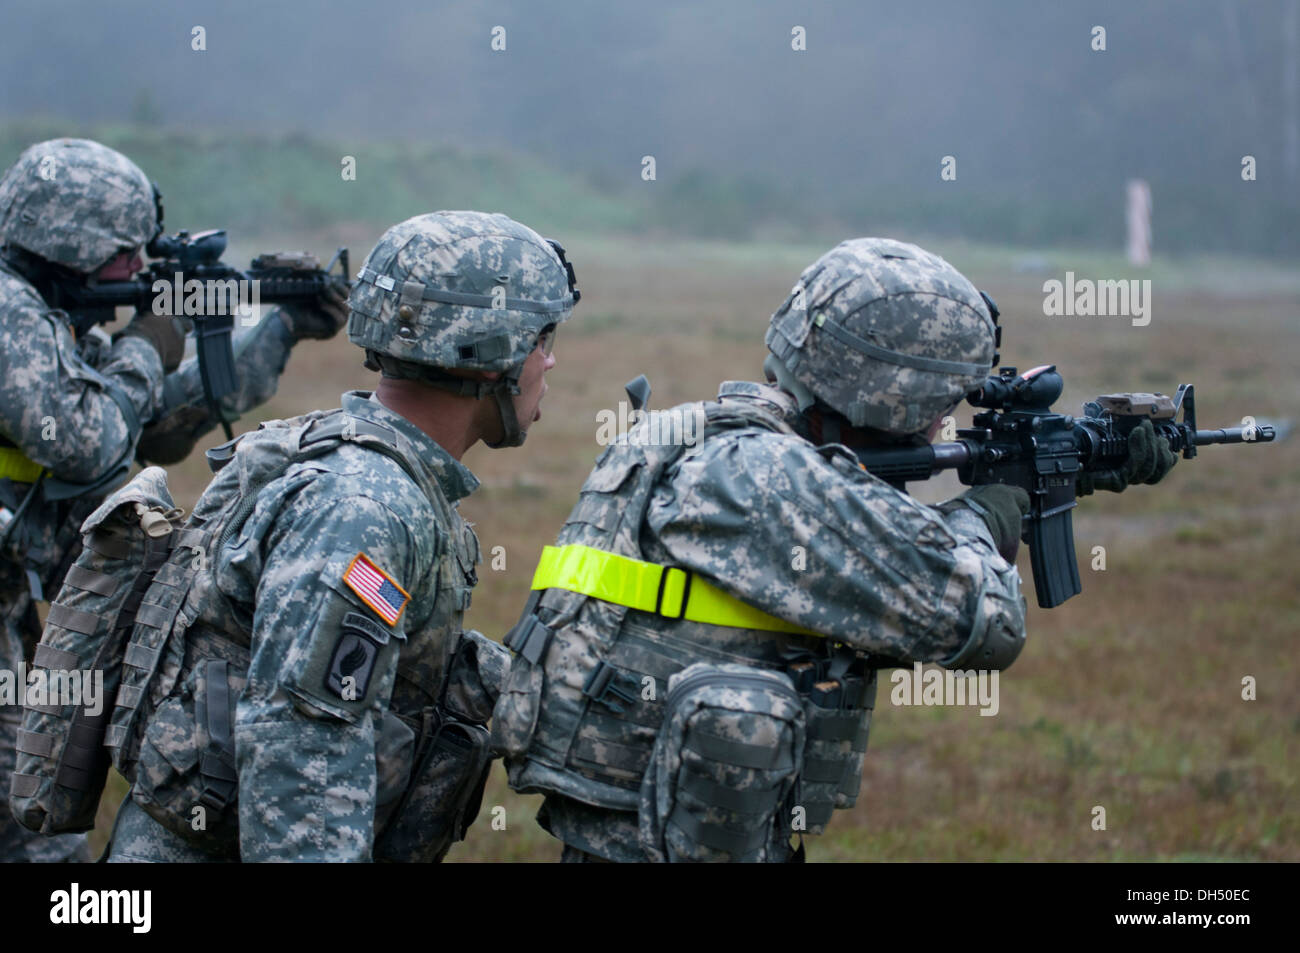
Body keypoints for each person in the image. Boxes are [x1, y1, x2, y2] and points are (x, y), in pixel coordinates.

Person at [492, 236, 1175, 862]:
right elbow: (984, 619)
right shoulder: (769, 482)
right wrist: (994, 507)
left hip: (650, 825)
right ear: (891, 395)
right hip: (660, 838)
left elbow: (858, 541)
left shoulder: (701, 436)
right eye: (942, 403)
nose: (946, 423)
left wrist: (1072, 464)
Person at [105, 210, 578, 862]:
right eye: (541, 337)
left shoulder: (376, 473)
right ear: (488, 351)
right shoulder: (362, 508)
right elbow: (303, 750)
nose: (549, 360)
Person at [0, 138, 347, 863]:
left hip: (19, 589)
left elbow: (157, 426)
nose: (136, 267)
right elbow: (87, 436)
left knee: (32, 804)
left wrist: (278, 324)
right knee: (24, 818)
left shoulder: (60, 317)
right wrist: (153, 337)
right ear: (73, 240)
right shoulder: (9, 314)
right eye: (126, 251)